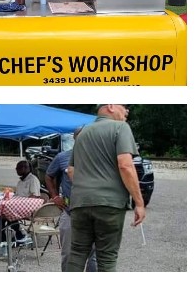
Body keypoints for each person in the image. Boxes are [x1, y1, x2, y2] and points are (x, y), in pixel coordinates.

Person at [63, 104, 144, 272]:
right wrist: (139, 203)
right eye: (125, 106)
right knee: (106, 258)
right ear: (111, 106)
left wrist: (87, 189)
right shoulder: (120, 127)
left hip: (80, 203)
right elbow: (126, 166)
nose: (127, 111)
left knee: (77, 253)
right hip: (109, 203)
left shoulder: (83, 132)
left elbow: (71, 170)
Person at [46, 126, 98, 272]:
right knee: (69, 255)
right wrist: (55, 196)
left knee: (93, 256)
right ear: (75, 139)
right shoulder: (62, 158)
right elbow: (49, 176)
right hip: (70, 214)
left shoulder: (100, 159)